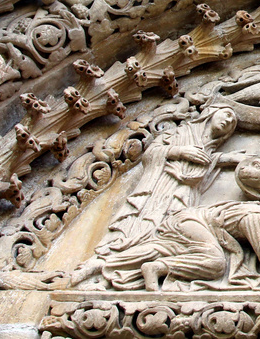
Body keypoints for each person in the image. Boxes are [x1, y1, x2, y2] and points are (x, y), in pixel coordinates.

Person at [75, 193, 260, 291]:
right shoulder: (255, 215)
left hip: (194, 228)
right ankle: (157, 269)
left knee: (163, 249)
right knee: (215, 262)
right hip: (192, 221)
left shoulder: (257, 219)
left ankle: (102, 265)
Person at [96, 98, 244, 255]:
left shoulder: (209, 149)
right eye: (227, 114)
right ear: (211, 113)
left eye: (232, 123)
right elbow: (151, 153)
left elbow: (206, 161)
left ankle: (148, 252)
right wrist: (180, 151)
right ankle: (117, 250)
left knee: (169, 227)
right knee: (143, 220)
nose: (229, 121)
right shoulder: (179, 132)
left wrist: (229, 158)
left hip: (184, 193)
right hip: (159, 186)